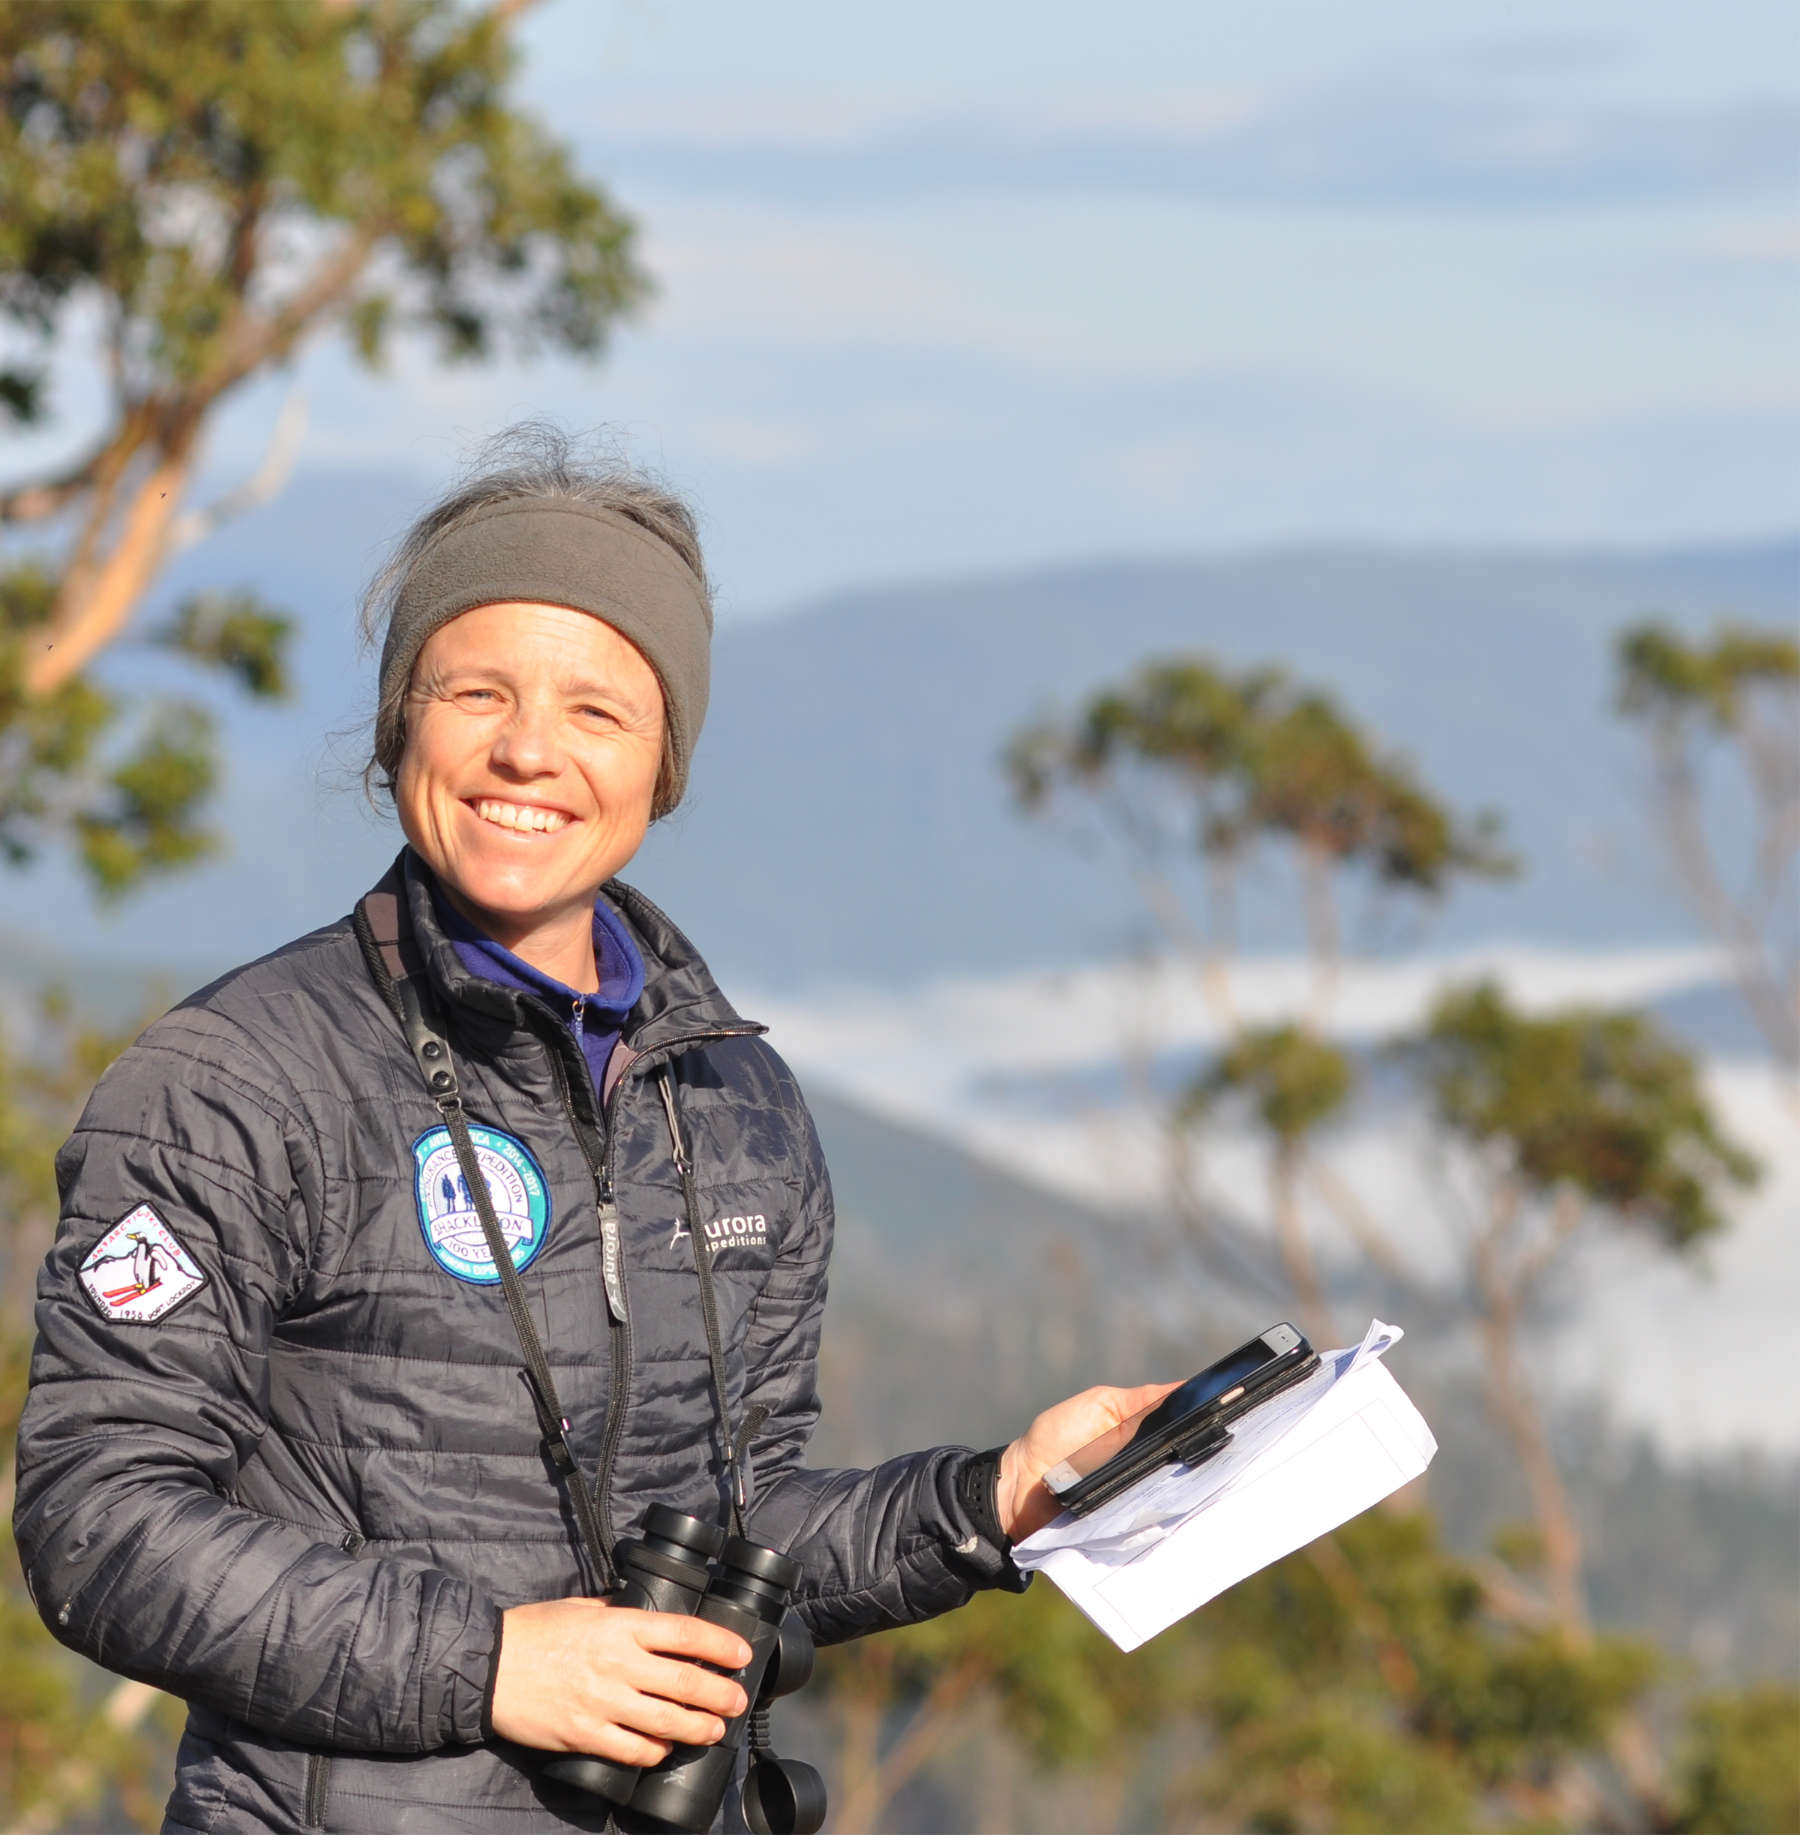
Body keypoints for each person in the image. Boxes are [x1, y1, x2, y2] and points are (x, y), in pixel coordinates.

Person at [13, 429, 1171, 1835]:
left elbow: (744, 1530)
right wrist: (493, 1664)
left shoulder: (733, 1103)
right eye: (476, 690)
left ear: (664, 764)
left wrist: (1003, 1498)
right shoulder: (233, 1084)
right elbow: (101, 1524)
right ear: (398, 726)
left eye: (598, 711)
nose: (527, 750)